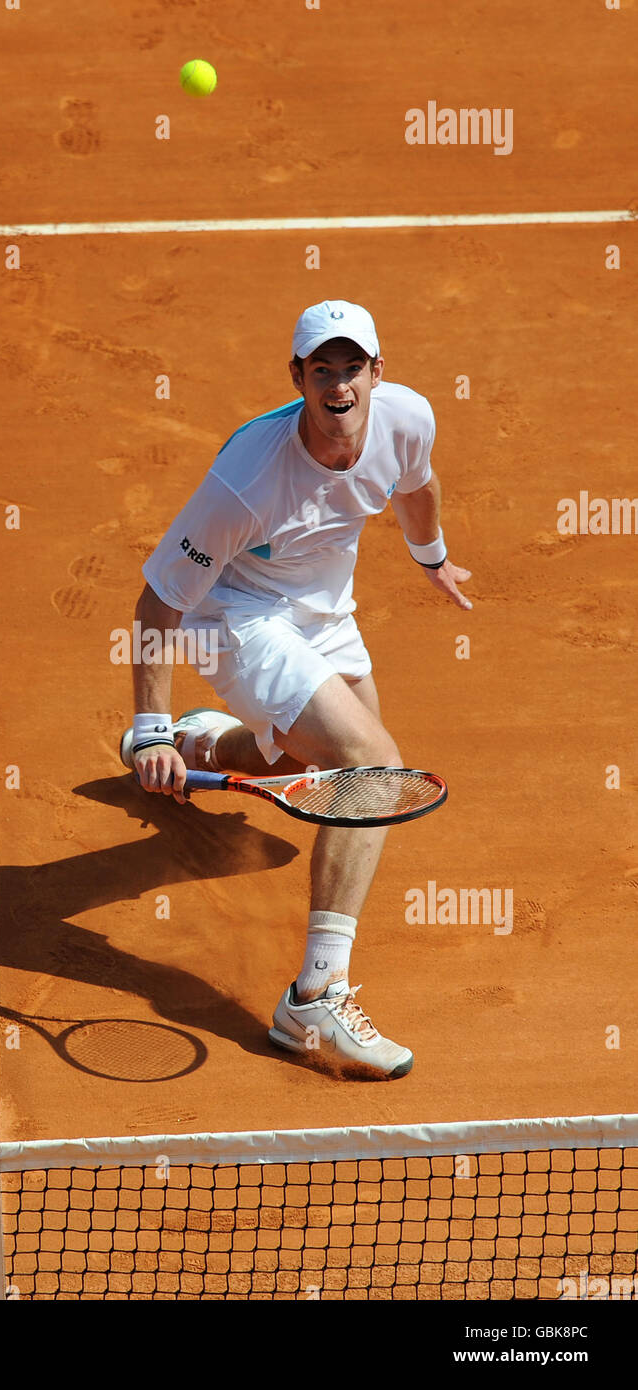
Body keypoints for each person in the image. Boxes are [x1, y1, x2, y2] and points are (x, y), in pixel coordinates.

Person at [120, 300, 472, 1079]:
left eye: (353, 368)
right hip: (232, 615)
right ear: (298, 378)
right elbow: (159, 602)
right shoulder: (246, 479)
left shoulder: (407, 419)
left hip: (324, 612)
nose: (338, 385)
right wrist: (143, 724)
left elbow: (418, 484)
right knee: (373, 770)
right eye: (323, 370)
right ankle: (313, 1000)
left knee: (317, 774)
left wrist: (432, 558)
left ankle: (202, 740)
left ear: (377, 374)